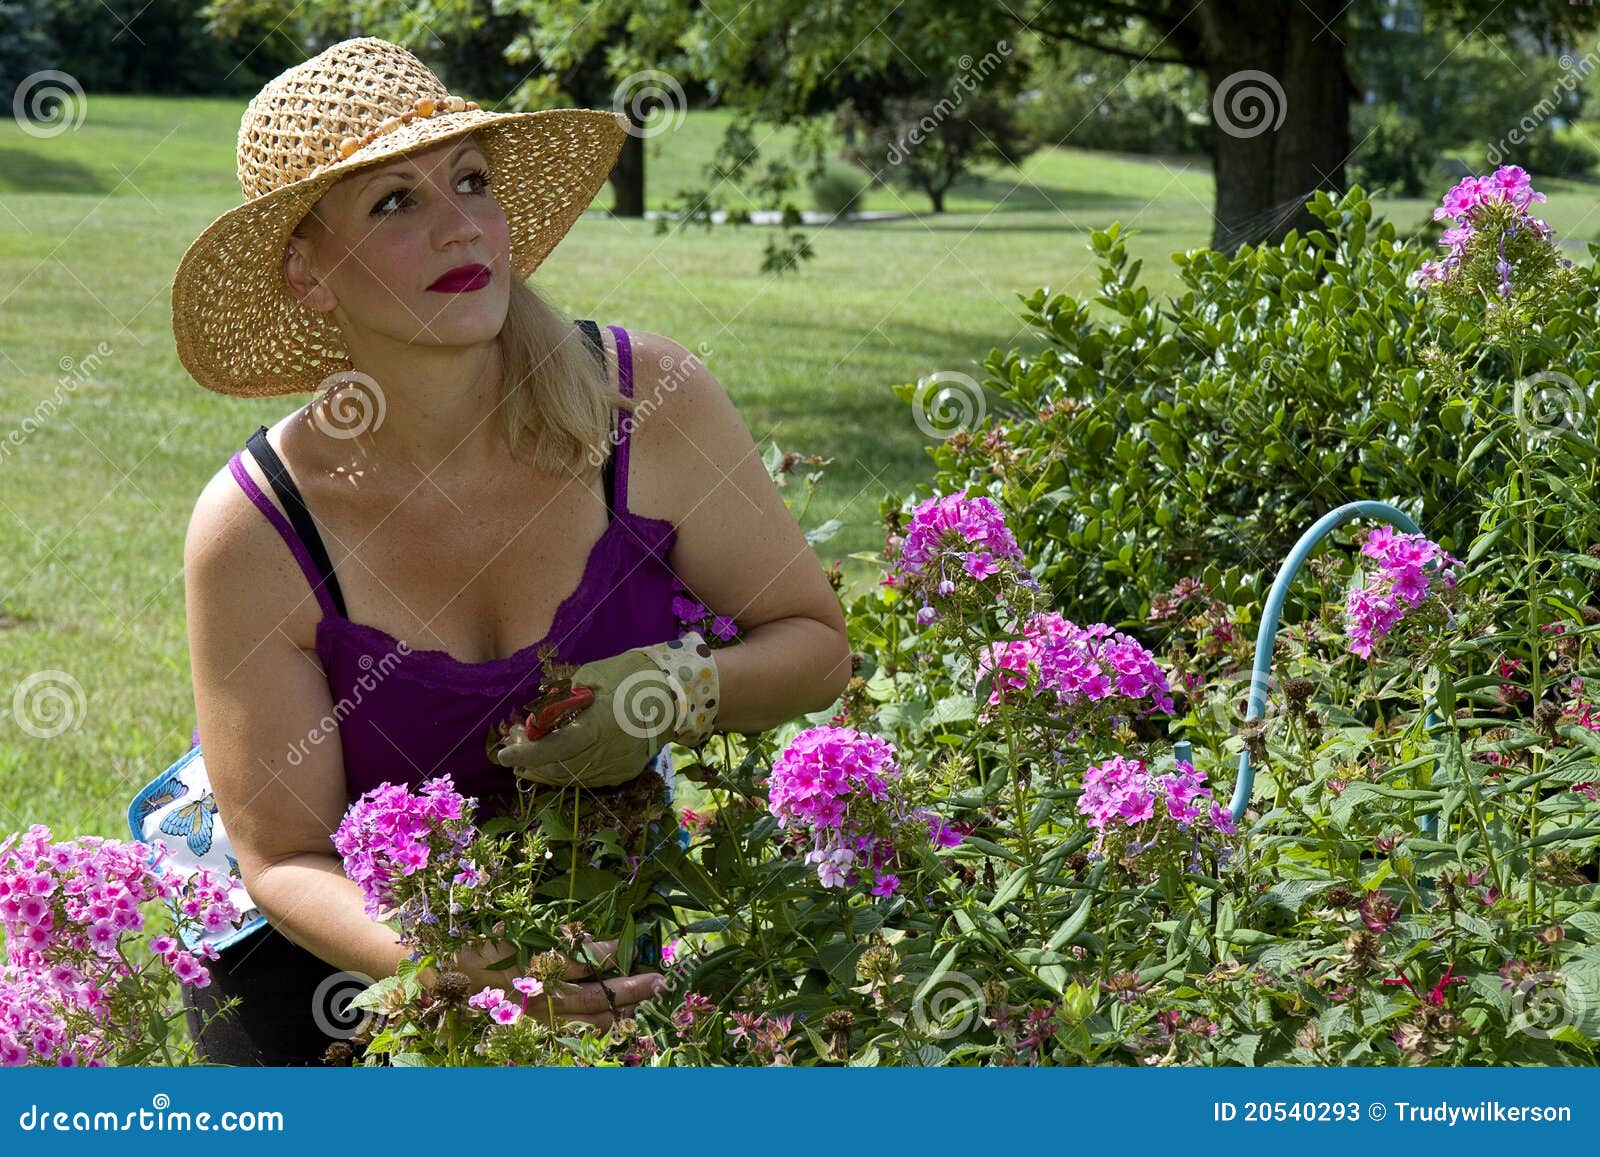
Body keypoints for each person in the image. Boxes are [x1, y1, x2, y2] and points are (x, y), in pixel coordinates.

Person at [171, 37, 852, 1065]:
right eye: (393, 203)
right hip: (334, 954)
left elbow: (815, 644)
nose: (459, 224)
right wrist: (454, 965)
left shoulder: (645, 406)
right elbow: (285, 855)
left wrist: (667, 690)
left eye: (471, 180)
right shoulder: (257, 525)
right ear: (308, 271)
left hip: (598, 912)